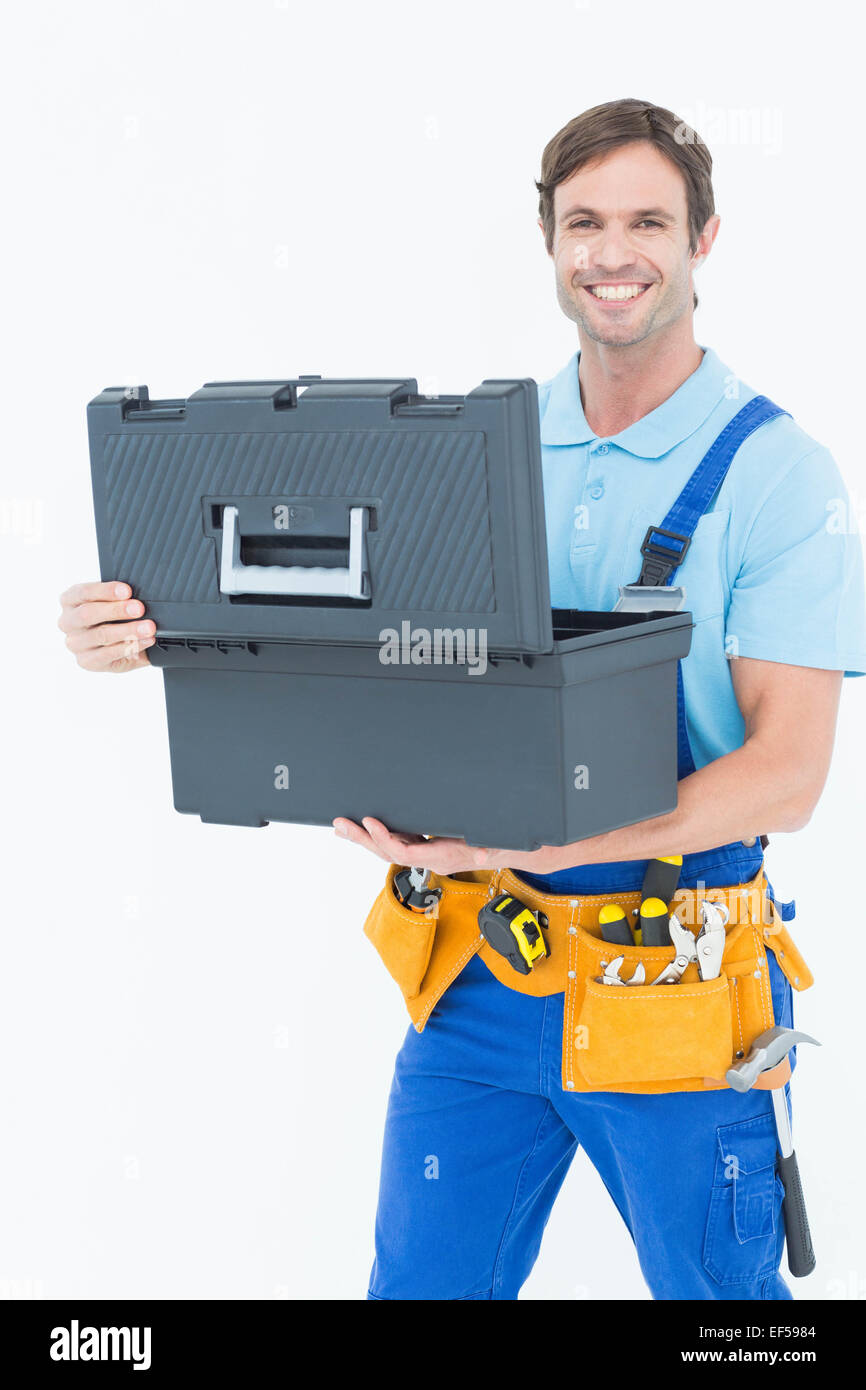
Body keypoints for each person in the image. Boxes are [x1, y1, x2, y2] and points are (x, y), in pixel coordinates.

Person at [59, 99, 866, 1300]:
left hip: (676, 991)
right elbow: (359, 633)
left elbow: (785, 779)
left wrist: (543, 834)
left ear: (701, 241)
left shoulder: (774, 475)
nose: (611, 251)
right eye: (583, 221)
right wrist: (154, 632)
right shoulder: (475, 447)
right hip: (479, 975)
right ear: (547, 243)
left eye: (647, 219)